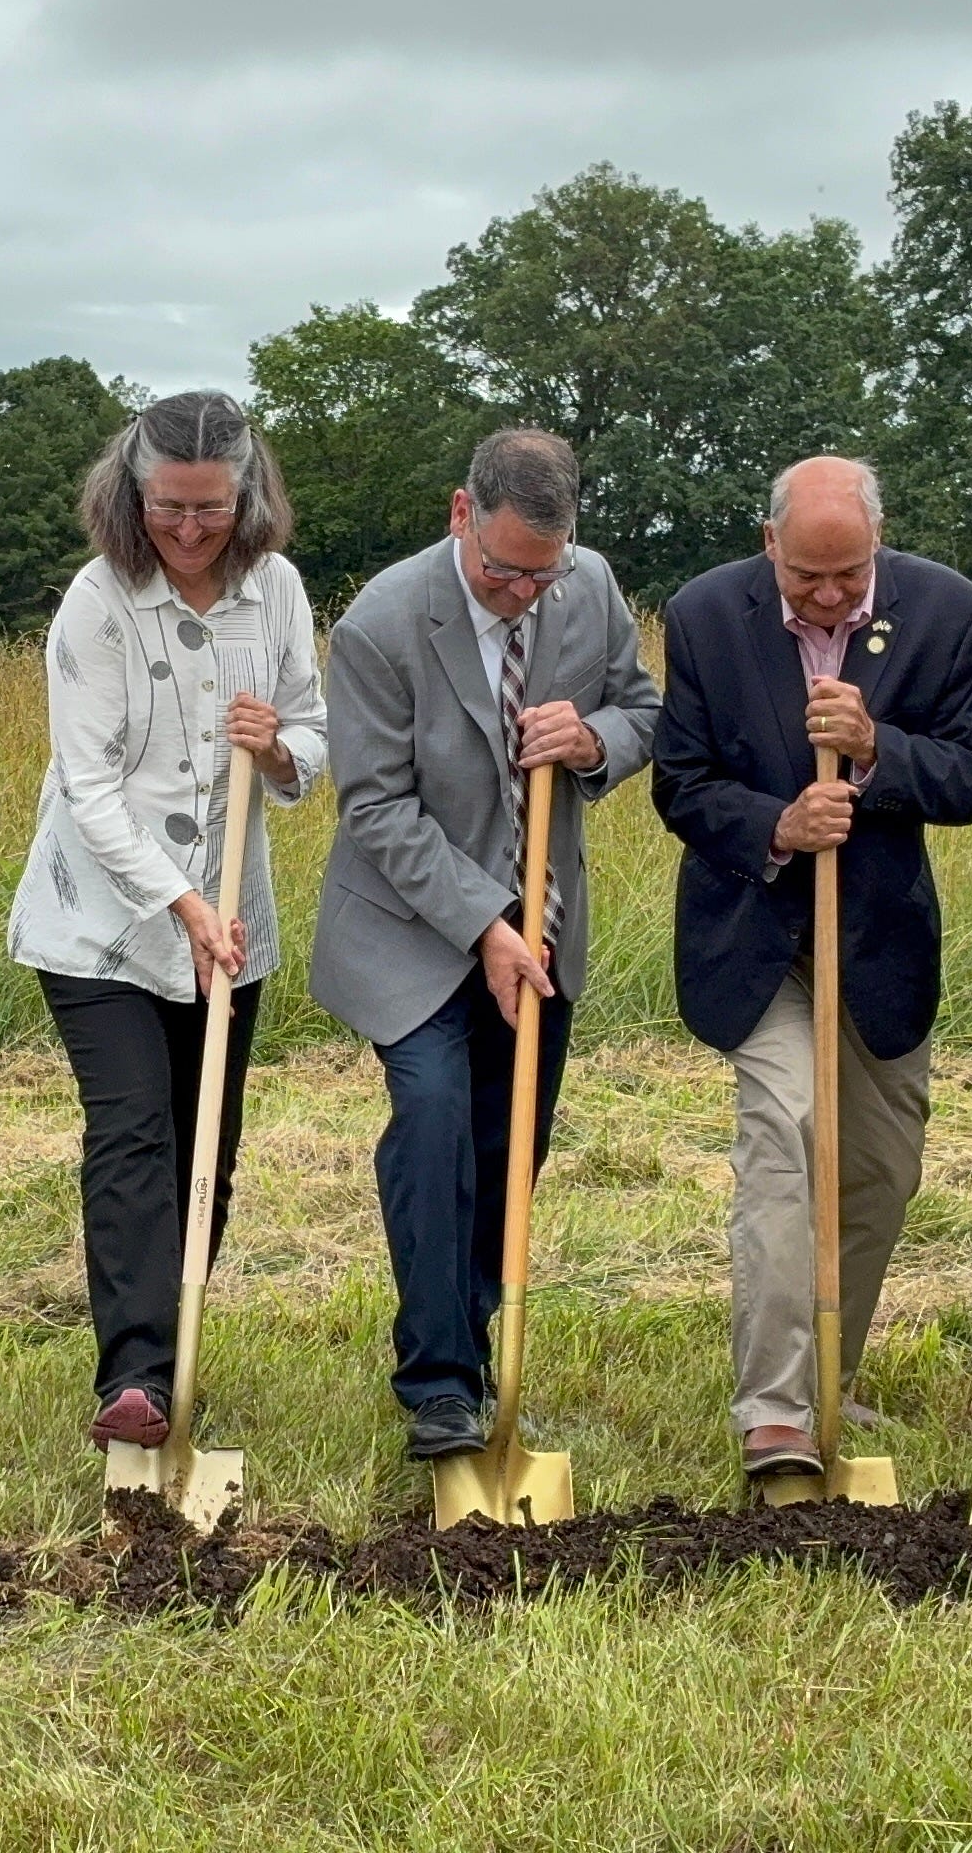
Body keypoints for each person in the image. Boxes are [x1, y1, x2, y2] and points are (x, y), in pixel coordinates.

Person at [310, 426, 661, 1461]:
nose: (522, 592)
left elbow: (644, 708)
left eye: (540, 574)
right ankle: (439, 1382)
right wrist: (484, 924)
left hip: (545, 922)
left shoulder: (587, 585)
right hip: (411, 929)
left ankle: (470, 1331)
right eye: (503, 571)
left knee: (512, 1145)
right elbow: (375, 807)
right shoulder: (380, 623)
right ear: (462, 514)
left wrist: (594, 739)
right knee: (433, 1119)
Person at [651, 456, 972, 1479]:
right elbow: (681, 782)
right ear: (771, 546)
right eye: (810, 576)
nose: (833, 595)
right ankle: (776, 1412)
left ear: (877, 545)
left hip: (879, 942)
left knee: (883, 1169)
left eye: (850, 574)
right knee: (784, 1133)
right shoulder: (708, 614)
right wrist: (781, 824)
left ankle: (826, 1377)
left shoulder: (946, 609)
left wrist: (880, 747)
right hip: (755, 939)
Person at [7, 392, 329, 1449]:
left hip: (233, 917)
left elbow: (312, 739)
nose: (188, 529)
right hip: (101, 918)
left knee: (208, 1144)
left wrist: (279, 747)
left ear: (248, 495)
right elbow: (88, 787)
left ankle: (179, 1328)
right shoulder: (97, 602)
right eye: (167, 507)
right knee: (134, 1128)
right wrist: (179, 901)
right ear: (131, 492)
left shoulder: (275, 589)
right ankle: (134, 1376)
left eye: (210, 507)